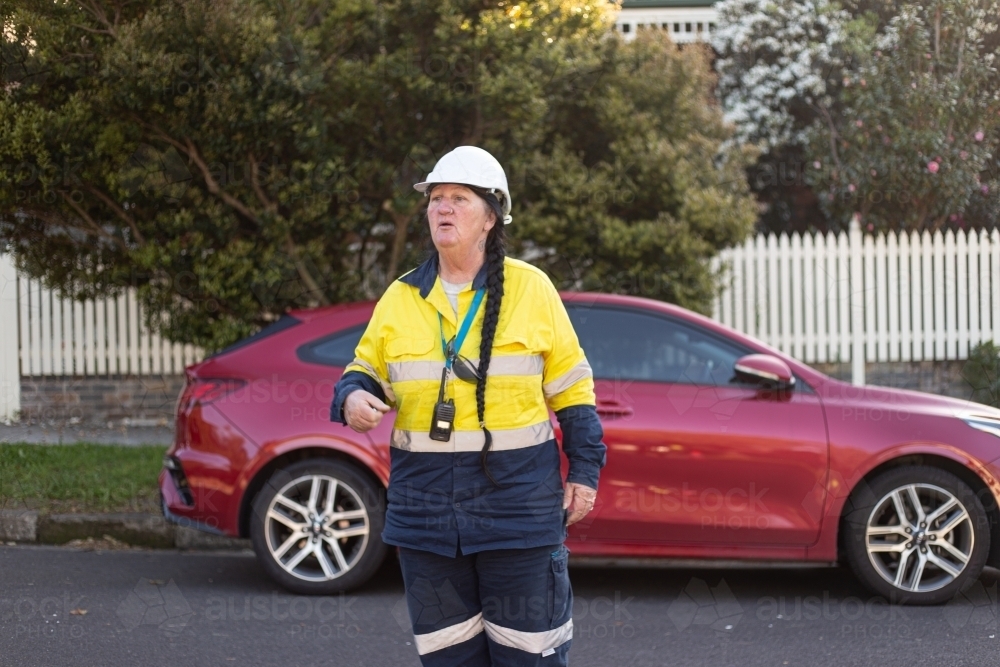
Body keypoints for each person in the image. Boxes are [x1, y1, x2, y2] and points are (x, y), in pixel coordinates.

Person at [330, 146, 606, 667]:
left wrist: (586, 471)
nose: (442, 208)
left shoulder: (531, 289)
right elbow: (362, 370)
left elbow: (572, 391)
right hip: (427, 518)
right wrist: (354, 396)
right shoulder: (400, 297)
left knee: (530, 658)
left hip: (518, 513)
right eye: (435, 198)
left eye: (458, 197)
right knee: (450, 661)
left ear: (490, 217)